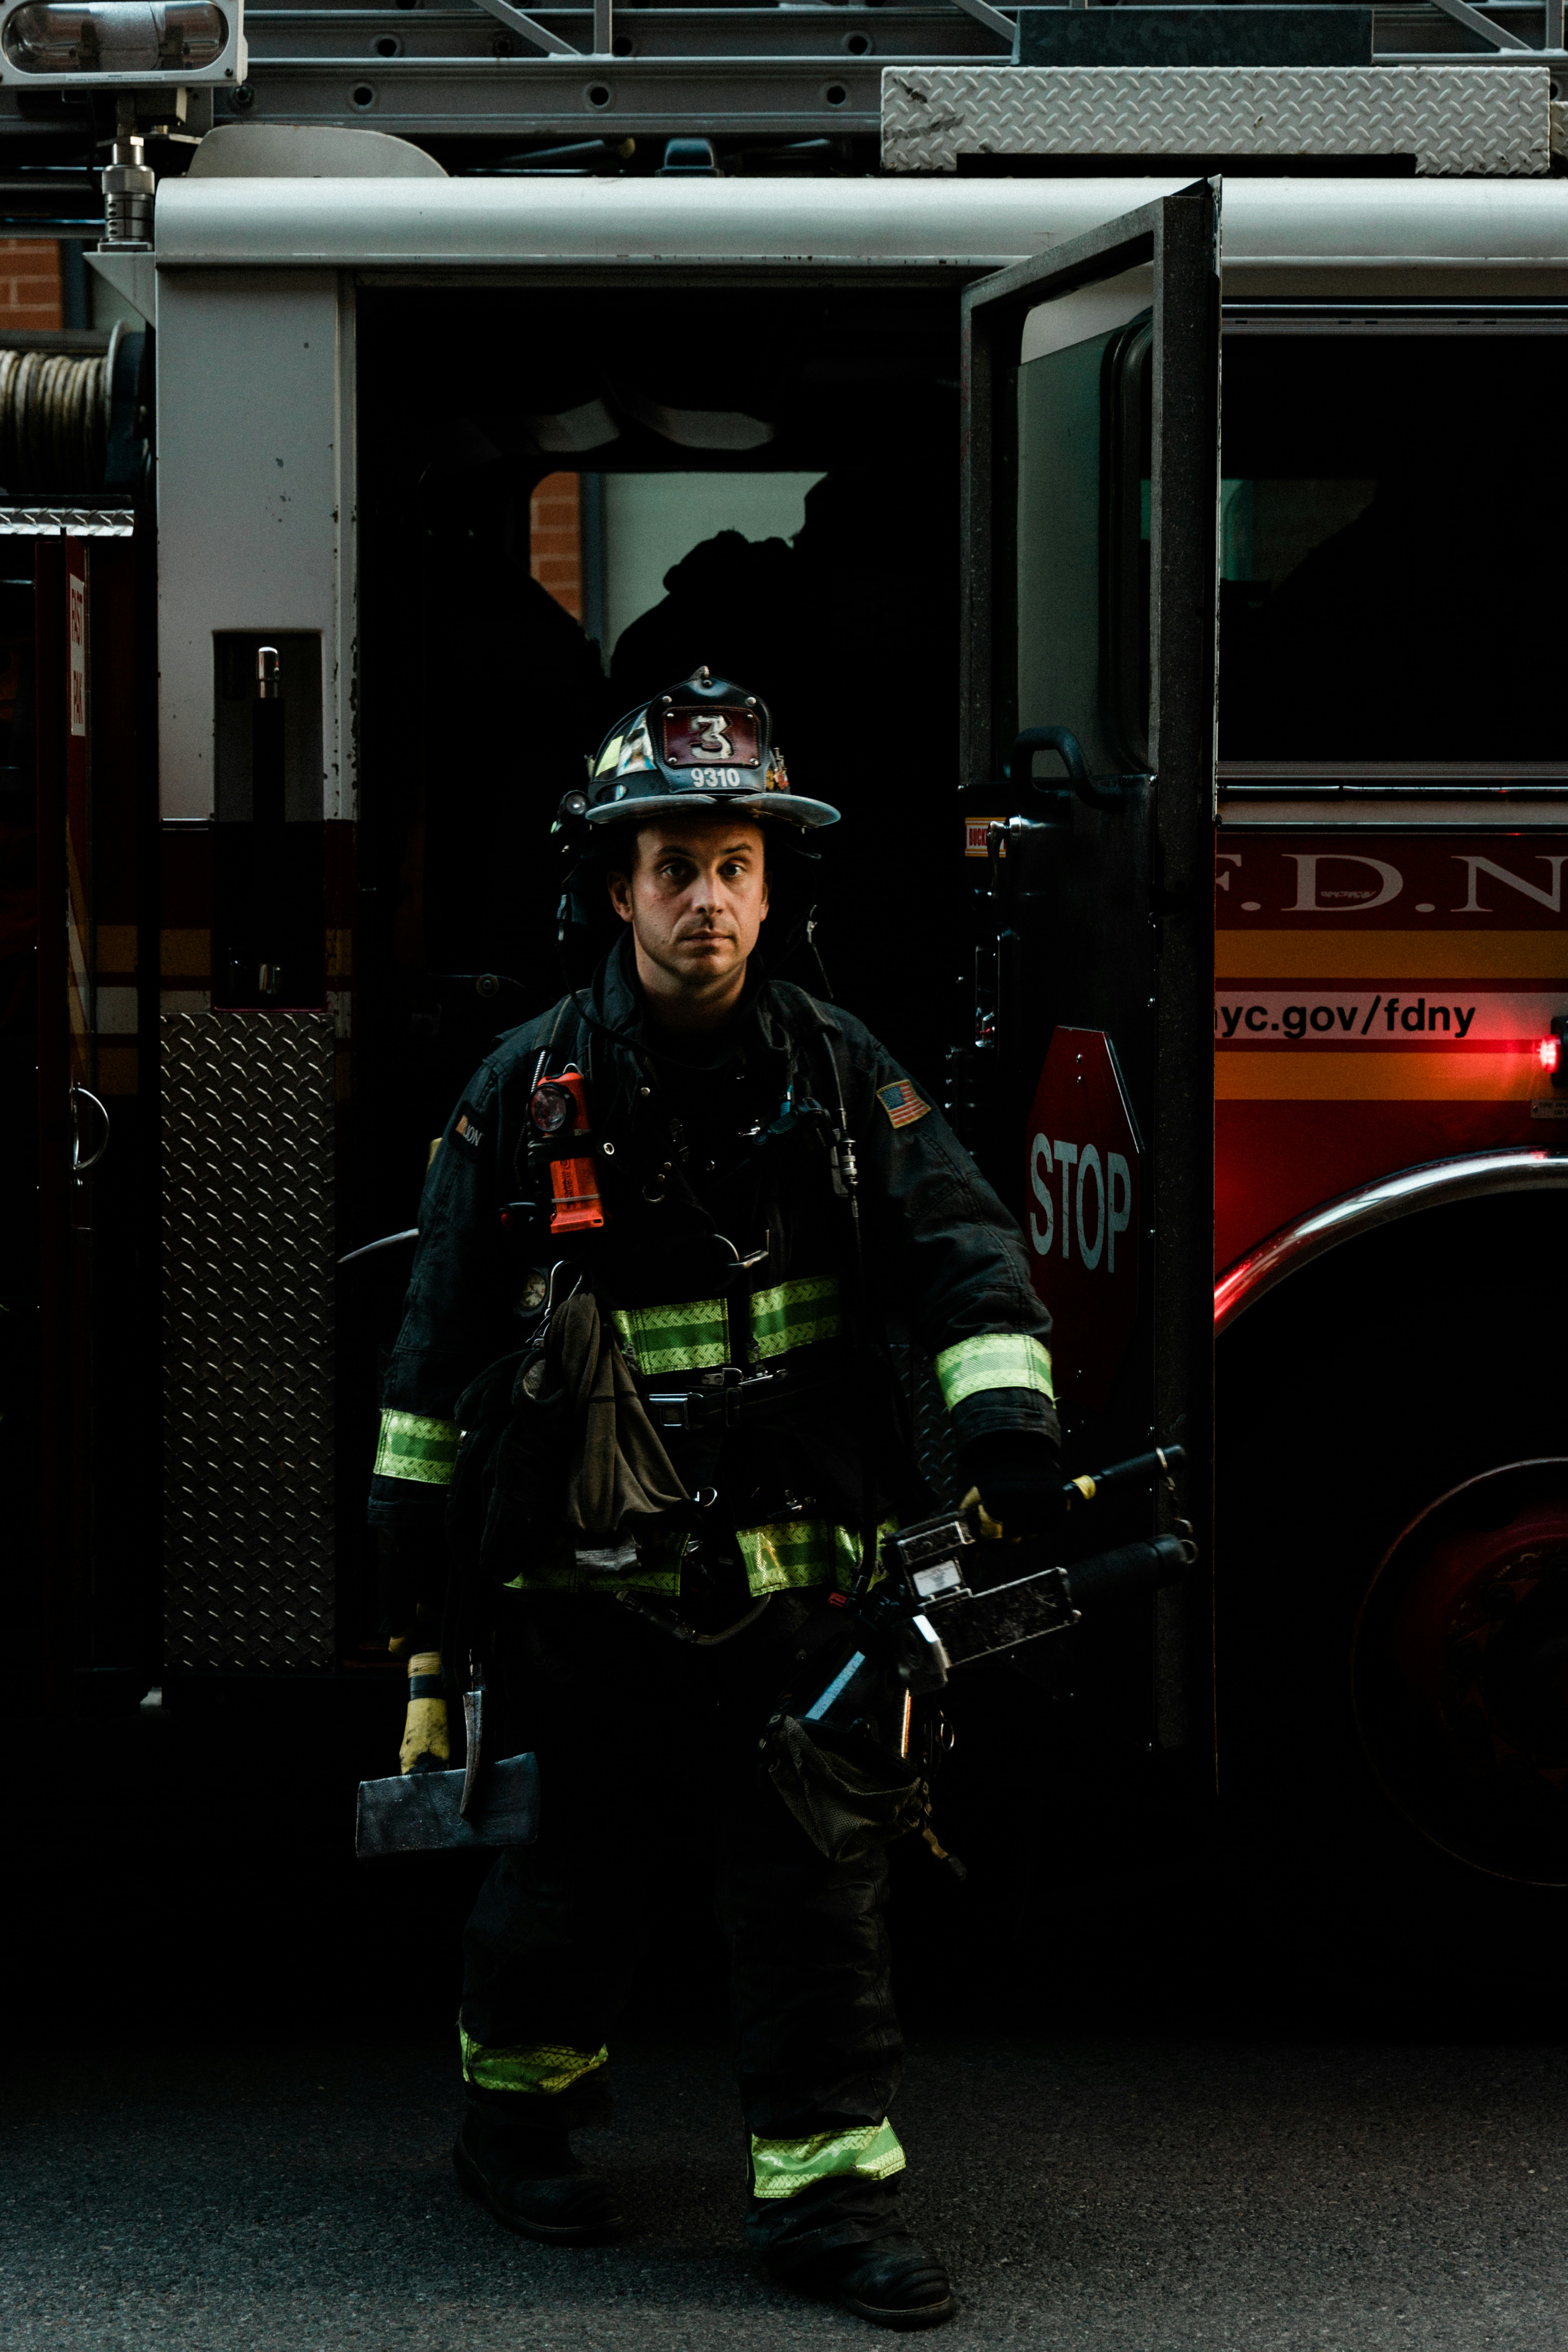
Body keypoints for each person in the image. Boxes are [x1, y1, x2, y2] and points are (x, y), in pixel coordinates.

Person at [368, 667, 1062, 2331]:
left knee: (813, 1891)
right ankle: (515, 2120)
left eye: (735, 865)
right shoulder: (521, 1093)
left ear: (771, 882)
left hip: (795, 1591)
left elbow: (966, 1262)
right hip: (579, 1596)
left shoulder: (840, 1081)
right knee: (565, 1886)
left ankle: (831, 2204)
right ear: (614, 885)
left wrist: (1007, 1434)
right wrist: (418, 1597)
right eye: (672, 864)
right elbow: (430, 1354)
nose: (707, 901)